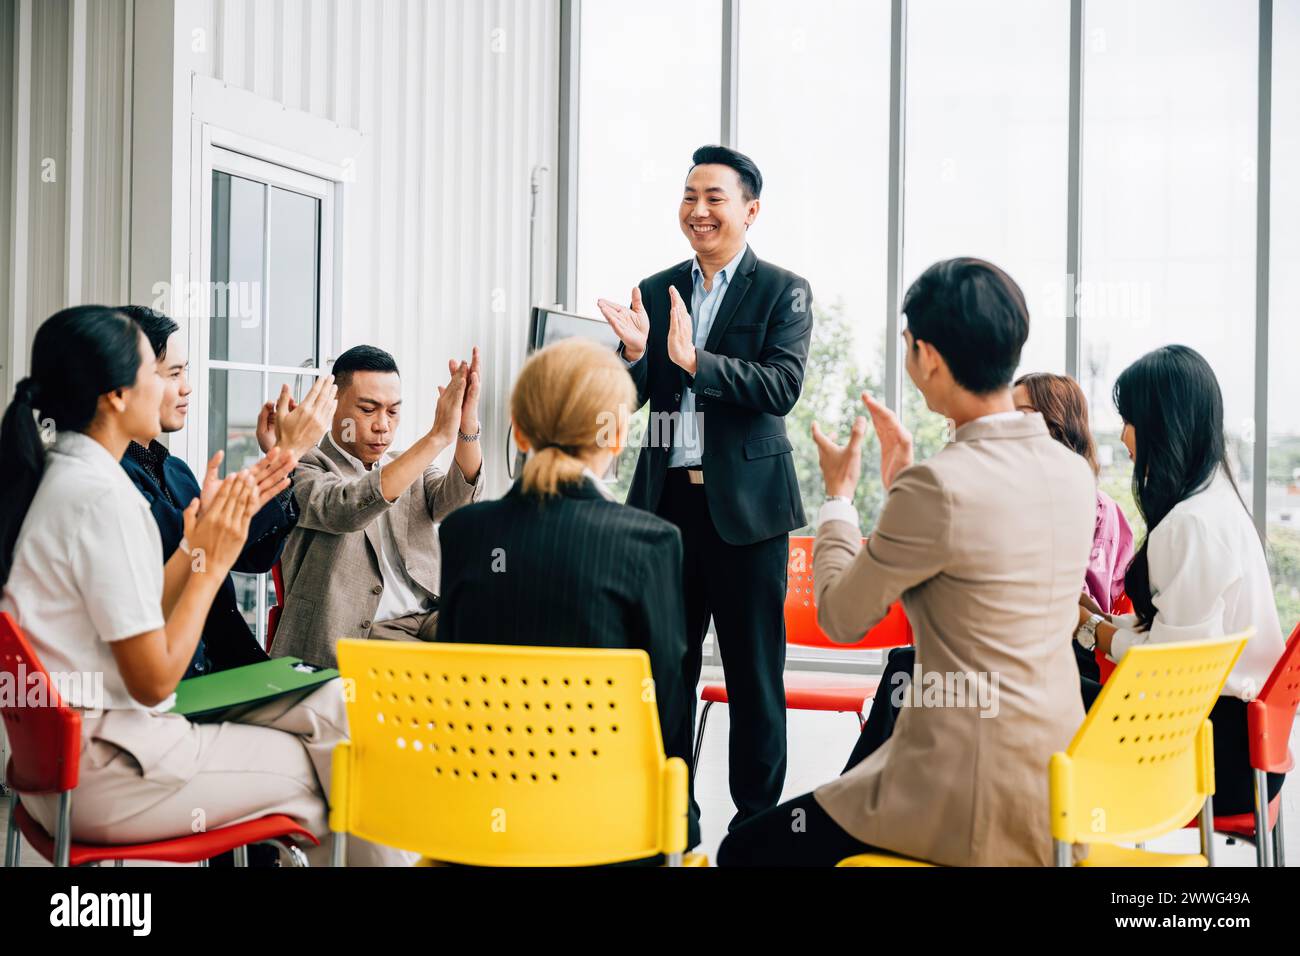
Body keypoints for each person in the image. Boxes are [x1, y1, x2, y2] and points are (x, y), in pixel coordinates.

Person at [0, 306, 412, 866]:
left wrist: (200, 547)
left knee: (340, 707)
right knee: (339, 771)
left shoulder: (70, 474)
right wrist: (209, 561)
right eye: (162, 373)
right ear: (116, 395)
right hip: (112, 764)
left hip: (71, 762)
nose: (180, 387)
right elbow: (152, 681)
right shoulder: (102, 497)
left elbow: (152, 599)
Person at [718, 258, 1095, 867]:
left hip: (960, 792)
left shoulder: (939, 486)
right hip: (1057, 783)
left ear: (929, 357)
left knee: (746, 850)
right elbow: (974, 552)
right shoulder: (1070, 471)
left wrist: (839, 499)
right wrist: (904, 488)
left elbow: (842, 618)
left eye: (907, 344)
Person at [596, 144, 813, 827]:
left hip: (748, 515)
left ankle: (754, 828)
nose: (699, 210)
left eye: (714, 197)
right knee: (664, 672)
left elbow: (782, 387)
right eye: (690, 196)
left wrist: (696, 362)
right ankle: (670, 817)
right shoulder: (658, 286)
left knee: (753, 677)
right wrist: (634, 355)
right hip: (665, 510)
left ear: (750, 210)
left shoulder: (784, 290)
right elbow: (623, 403)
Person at [436, 338, 698, 851]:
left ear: (519, 425)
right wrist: (678, 825)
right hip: (607, 838)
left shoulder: (465, 532)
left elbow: (458, 685)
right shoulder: (651, 542)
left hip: (481, 836)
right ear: (618, 435)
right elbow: (666, 709)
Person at [840, 372, 1136, 771]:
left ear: (1056, 424)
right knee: (909, 670)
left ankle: (856, 813)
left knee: (908, 673)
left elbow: (1072, 604)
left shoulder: (1089, 506)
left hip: (1051, 664)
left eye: (1023, 414)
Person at [1073, 345, 1286, 816]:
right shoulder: (1219, 504)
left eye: (1129, 419)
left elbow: (1167, 672)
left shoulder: (1190, 523)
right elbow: (1188, 633)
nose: (1124, 435)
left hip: (1210, 753)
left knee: (1023, 699)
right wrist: (1105, 623)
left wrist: (1090, 631)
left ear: (1159, 425)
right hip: (1247, 745)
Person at [116, 305, 335, 677]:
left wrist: (280, 457)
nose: (187, 386)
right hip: (184, 677)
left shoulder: (175, 470)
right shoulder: (114, 478)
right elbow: (190, 559)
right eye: (173, 373)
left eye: (186, 371)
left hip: (230, 664)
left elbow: (248, 557)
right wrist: (288, 452)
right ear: (126, 382)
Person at [272, 344, 484, 668]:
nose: (382, 425)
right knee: (447, 670)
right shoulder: (303, 466)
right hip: (358, 631)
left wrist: (466, 427)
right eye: (368, 410)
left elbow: (457, 502)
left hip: (428, 615)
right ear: (333, 405)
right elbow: (346, 508)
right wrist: (436, 437)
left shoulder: (405, 465)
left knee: (503, 639)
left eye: (393, 411)